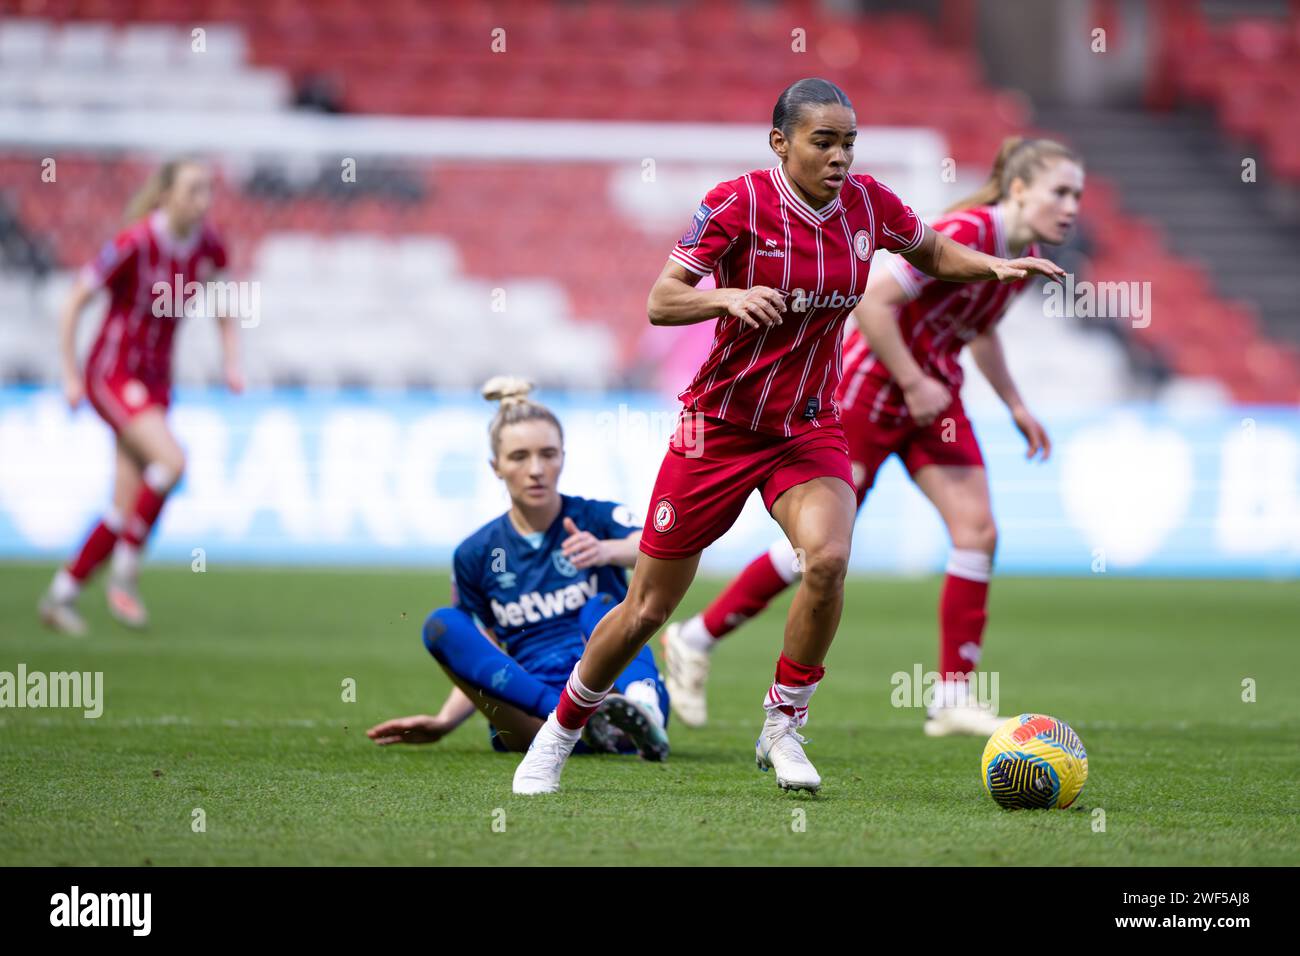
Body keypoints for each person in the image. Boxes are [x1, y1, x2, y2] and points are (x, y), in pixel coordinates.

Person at [511, 79, 1065, 795]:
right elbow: (661, 299)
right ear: (781, 143)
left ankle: (783, 723)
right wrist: (725, 295)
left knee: (828, 559)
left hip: (807, 427)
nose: (839, 156)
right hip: (718, 427)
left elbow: (929, 252)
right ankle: (558, 734)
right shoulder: (737, 203)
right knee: (649, 607)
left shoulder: (869, 204)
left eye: (848, 143)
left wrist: (989, 264)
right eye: (823, 141)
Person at [661, 138, 1084, 738]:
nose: (1072, 206)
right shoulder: (966, 229)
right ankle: (696, 636)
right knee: (820, 549)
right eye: (1061, 191)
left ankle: (952, 698)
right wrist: (912, 380)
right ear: (1018, 190)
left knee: (978, 532)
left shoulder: (1024, 257)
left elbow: (979, 329)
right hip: (873, 388)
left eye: (1079, 195)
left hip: (935, 395)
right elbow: (874, 304)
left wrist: (1014, 402)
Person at [368, 377, 670, 759]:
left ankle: (644, 709)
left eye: (548, 454)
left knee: (605, 607)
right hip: (534, 714)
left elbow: (661, 550)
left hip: (611, 692)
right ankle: (574, 719)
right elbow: (483, 653)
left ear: (564, 456)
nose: (536, 470)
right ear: (496, 466)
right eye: (519, 457)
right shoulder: (475, 553)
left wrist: (605, 550)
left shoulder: (595, 517)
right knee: (443, 625)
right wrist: (445, 721)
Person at [39, 158, 241, 635]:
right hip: (112, 374)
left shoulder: (209, 245)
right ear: (166, 194)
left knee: (122, 509)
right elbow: (75, 302)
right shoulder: (135, 243)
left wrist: (232, 361)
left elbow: (225, 307)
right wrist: (70, 374)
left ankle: (60, 596)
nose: (203, 201)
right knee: (171, 462)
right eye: (193, 190)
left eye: (208, 191)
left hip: (154, 382)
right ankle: (126, 576)